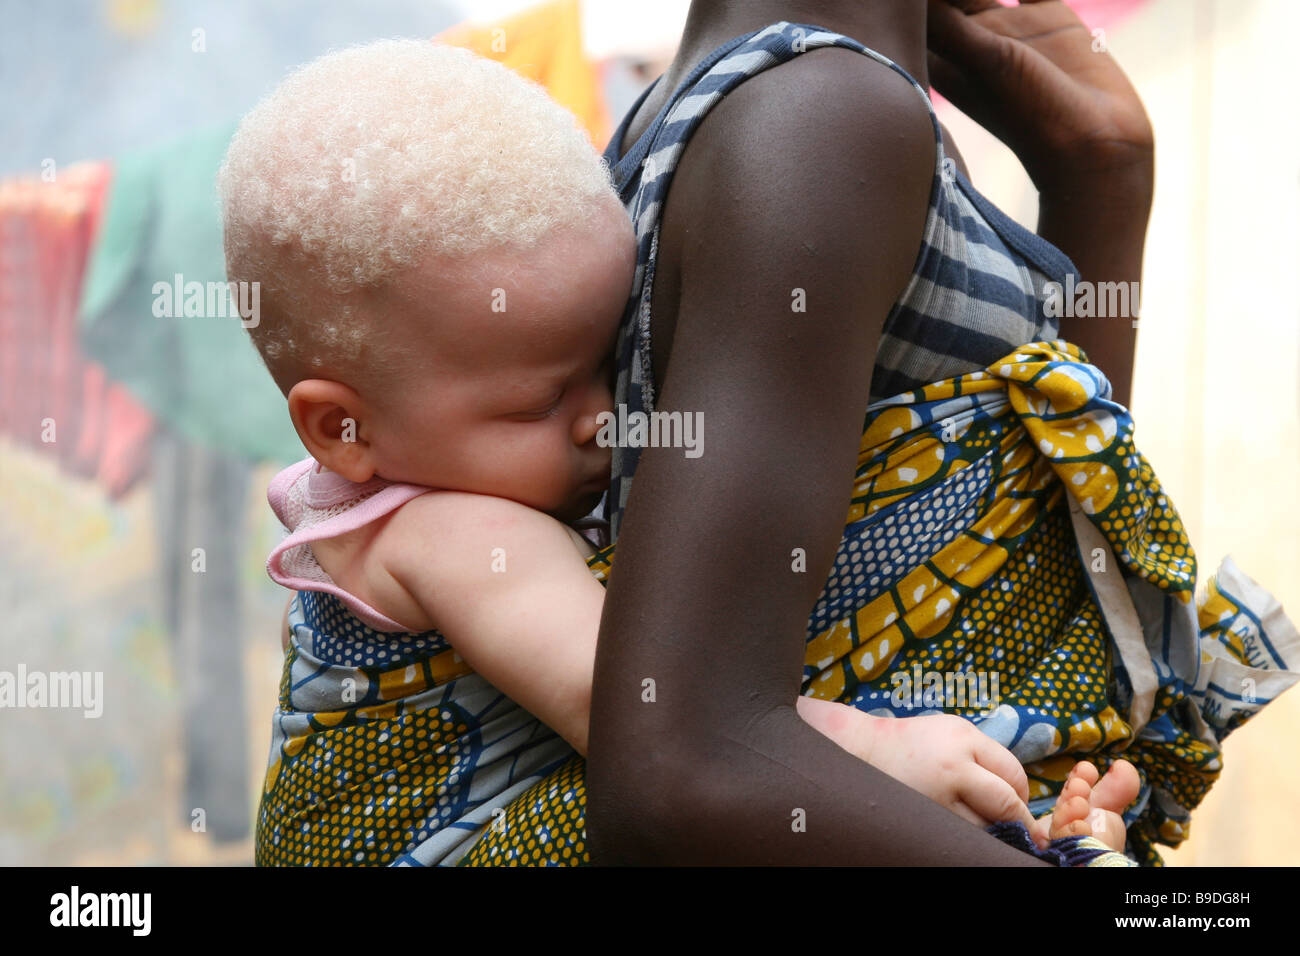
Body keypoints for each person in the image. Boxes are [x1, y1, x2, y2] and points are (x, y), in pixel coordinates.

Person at [581, 0, 1300, 866]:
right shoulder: (826, 116)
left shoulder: (729, 106)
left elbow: (1035, 564)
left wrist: (1099, 177)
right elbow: (682, 763)